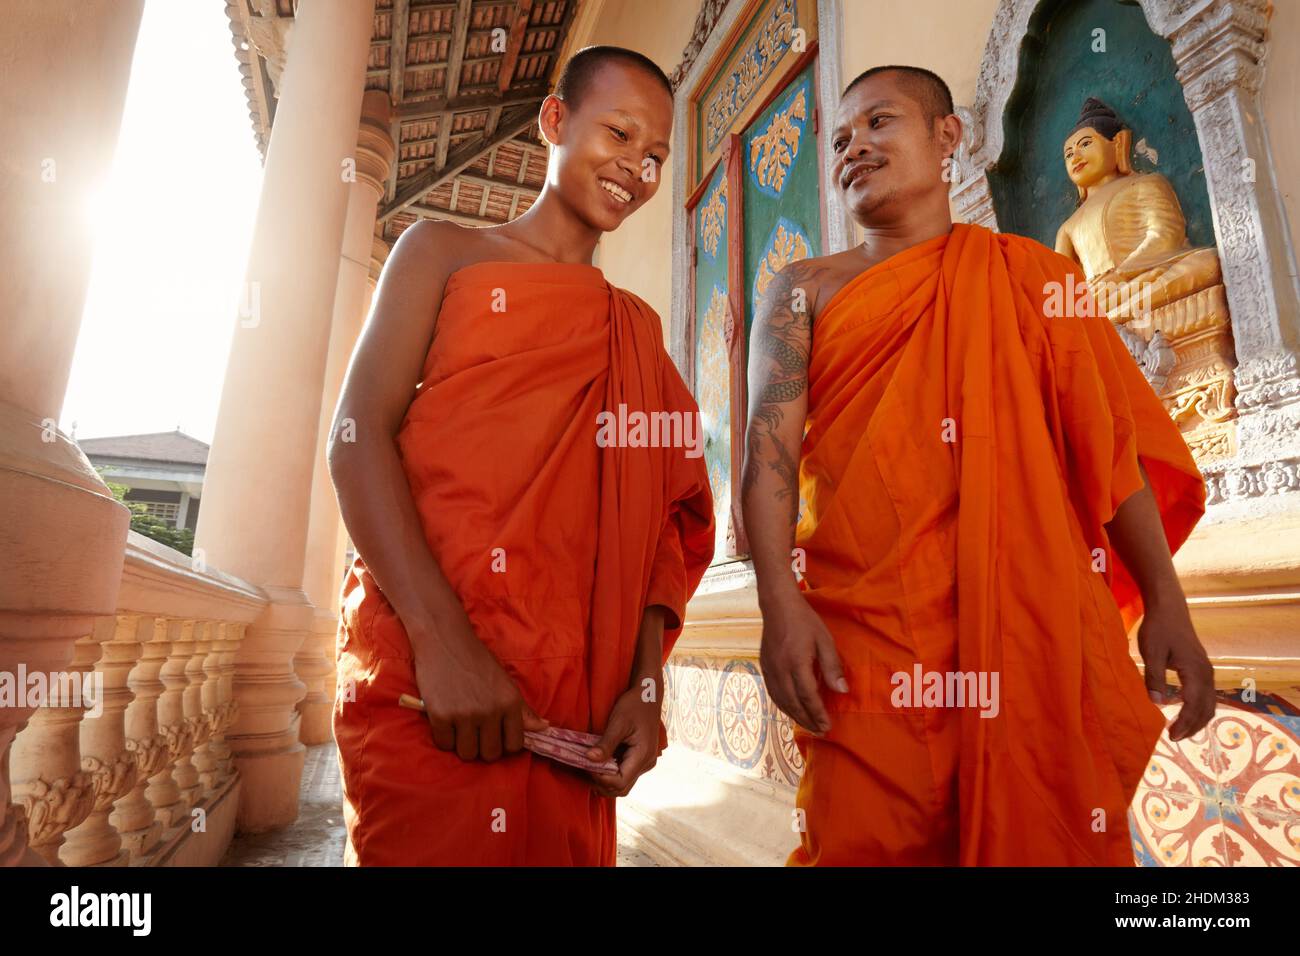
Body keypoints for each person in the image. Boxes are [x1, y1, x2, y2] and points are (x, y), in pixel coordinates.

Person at [740, 65, 1214, 866]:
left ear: (948, 137)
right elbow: (767, 452)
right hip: (865, 633)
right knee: (858, 837)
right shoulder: (801, 291)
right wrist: (778, 604)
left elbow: (1111, 448)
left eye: (880, 123)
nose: (855, 147)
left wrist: (1168, 602)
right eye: (843, 139)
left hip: (1031, 628)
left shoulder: (1034, 277)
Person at [327, 46, 714, 866]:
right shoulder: (443, 253)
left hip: (575, 710)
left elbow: (666, 531)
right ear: (553, 122)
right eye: (619, 134)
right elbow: (356, 438)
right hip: (427, 683)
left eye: (656, 157)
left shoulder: (634, 334)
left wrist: (647, 687)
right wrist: (444, 645)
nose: (637, 169)